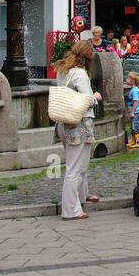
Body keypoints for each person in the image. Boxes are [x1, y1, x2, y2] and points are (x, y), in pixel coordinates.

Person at [54, 40, 102, 219]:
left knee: (80, 165)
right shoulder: (80, 74)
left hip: (64, 123)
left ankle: (82, 195)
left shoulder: (63, 70)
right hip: (79, 124)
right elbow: (86, 99)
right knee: (74, 168)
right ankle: (70, 210)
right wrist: (95, 96)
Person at [124, 71, 139, 148]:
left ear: (133, 81)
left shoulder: (135, 91)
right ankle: (133, 140)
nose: (126, 79)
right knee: (133, 127)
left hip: (136, 112)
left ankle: (138, 141)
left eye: (128, 78)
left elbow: (136, 101)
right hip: (134, 112)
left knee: (137, 126)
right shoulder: (133, 90)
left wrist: (132, 112)